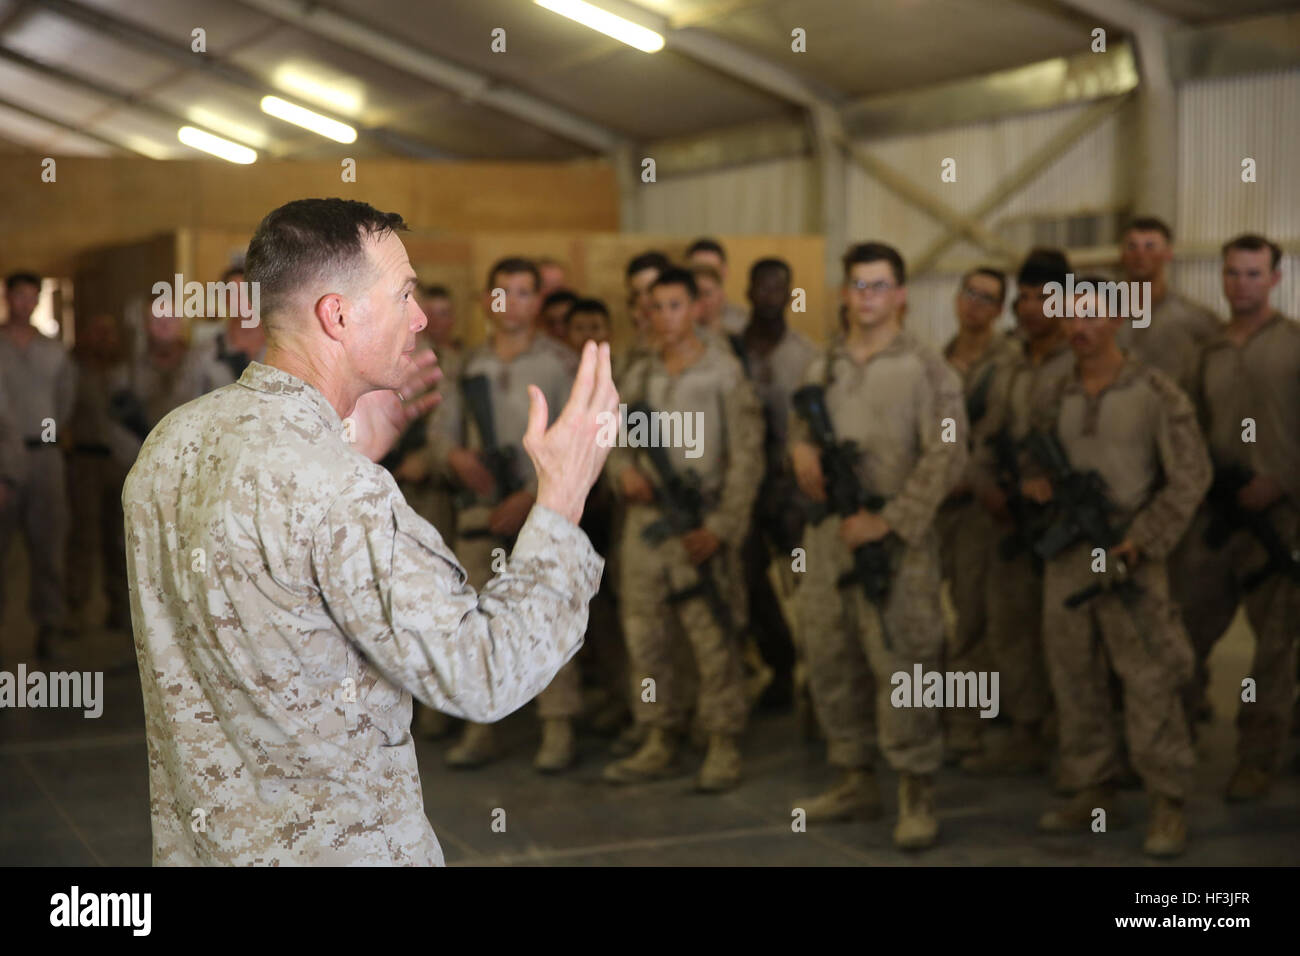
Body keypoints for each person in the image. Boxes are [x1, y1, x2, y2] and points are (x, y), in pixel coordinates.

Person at [123, 197, 618, 865]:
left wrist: (354, 449)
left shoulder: (173, 442)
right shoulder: (338, 489)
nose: (419, 318)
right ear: (338, 314)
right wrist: (561, 499)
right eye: (405, 293)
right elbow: (484, 672)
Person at [789, 242, 966, 850]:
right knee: (831, 658)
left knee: (905, 666)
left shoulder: (928, 369)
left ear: (901, 296)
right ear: (844, 294)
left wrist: (891, 523)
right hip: (828, 537)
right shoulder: (821, 366)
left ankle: (916, 793)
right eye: (857, 286)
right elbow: (799, 427)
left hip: (896, 544)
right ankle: (853, 778)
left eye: (879, 285)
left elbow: (948, 456)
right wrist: (801, 451)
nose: (867, 297)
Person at [1027, 280, 1210, 858]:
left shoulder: (1156, 391)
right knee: (1073, 674)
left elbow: (1191, 476)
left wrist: (1143, 540)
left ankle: (1167, 800)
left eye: (1091, 317)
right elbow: (1032, 452)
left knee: (1149, 677)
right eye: (1071, 319)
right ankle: (1093, 790)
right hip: (1068, 557)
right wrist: (1036, 482)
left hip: (1132, 553)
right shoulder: (1053, 393)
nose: (1080, 329)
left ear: (1117, 320)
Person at [602, 267, 763, 791]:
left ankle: (723, 742)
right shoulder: (640, 372)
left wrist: (722, 527)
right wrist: (621, 470)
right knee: (646, 636)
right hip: (647, 529)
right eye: (655, 307)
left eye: (675, 305)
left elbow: (747, 459)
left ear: (695, 308)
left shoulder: (724, 373)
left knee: (713, 637)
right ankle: (659, 735)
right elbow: (614, 435)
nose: (664, 317)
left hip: (702, 524)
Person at [433, 257, 583, 772]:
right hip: (480, 514)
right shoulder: (468, 364)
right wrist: (454, 457)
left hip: (543, 511)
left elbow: (580, 439)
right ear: (486, 300)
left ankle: (558, 728)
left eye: (524, 293)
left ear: (538, 302)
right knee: (476, 619)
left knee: (547, 617)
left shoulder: (560, 364)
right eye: (502, 292)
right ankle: (481, 727)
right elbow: (441, 433)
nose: (512, 303)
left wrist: (530, 496)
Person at [1171, 234, 1299, 801]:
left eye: (1253, 274)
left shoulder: (1295, 346)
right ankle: (1167, 749)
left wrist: (1283, 481)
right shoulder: (1207, 356)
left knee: (1272, 652)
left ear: (1275, 278)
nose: (1241, 284)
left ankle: (1257, 758)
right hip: (1217, 522)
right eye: (1232, 273)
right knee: (1181, 636)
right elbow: (1188, 432)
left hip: (1283, 523)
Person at [964, 250, 1077, 776]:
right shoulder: (1005, 367)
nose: (1031, 309)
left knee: (1071, 634)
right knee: (1010, 625)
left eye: (1044, 298)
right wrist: (985, 483)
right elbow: (986, 436)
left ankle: (1080, 745)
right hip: (1011, 521)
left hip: (1068, 524)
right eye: (1024, 298)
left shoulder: (1082, 360)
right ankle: (1029, 728)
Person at [935, 268, 1018, 764]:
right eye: (969, 294)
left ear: (1000, 309)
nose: (976, 305)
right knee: (922, 615)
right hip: (931, 505)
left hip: (977, 509)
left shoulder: (1008, 365)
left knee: (974, 619)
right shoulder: (933, 360)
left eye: (988, 298)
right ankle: (927, 711)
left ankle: (966, 724)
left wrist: (978, 480)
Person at [731, 258, 818, 713]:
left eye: (778, 287)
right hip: (739, 491)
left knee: (805, 588)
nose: (769, 295)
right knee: (746, 583)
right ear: (747, 290)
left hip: (790, 493)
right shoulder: (727, 352)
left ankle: (813, 678)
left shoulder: (805, 356)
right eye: (761, 286)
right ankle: (779, 667)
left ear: (789, 293)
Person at [0, 271, 76, 658]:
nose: (25, 304)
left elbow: (63, 402)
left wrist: (47, 437)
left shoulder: (53, 350)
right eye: (19, 296)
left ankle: (50, 626)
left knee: (49, 544)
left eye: (33, 297)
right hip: (1, 457)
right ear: (7, 297)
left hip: (45, 455)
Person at [66, 312, 139, 635]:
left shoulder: (127, 371)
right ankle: (75, 608)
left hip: (122, 463)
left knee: (119, 538)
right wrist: (56, 445)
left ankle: (120, 609)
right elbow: (58, 412)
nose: (103, 338)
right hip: (84, 461)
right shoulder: (73, 370)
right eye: (96, 331)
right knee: (83, 536)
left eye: (108, 332)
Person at [1115, 217, 1220, 394]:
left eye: (1150, 247)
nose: (1140, 255)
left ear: (1168, 253)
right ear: (1122, 254)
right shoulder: (1101, 315)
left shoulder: (1195, 319)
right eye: (1132, 246)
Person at [687, 238, 748, 335]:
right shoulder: (676, 320)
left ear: (724, 272)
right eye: (697, 269)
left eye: (711, 270)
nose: (703, 275)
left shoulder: (744, 320)